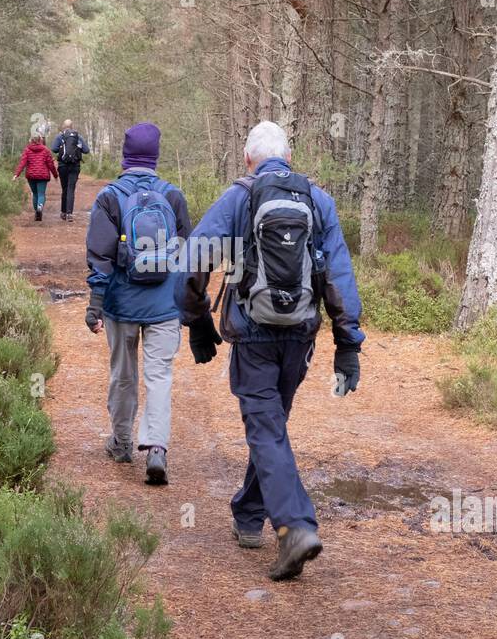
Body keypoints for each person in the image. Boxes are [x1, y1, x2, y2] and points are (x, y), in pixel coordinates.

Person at [178, 120, 364, 581]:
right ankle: (247, 514)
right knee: (271, 427)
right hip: (299, 338)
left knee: (265, 431)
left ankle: (295, 527)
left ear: (248, 159)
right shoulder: (318, 201)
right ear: (289, 156)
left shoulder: (239, 197)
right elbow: (338, 276)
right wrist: (348, 345)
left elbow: (194, 261)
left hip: (255, 336)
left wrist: (198, 319)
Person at [84, 122, 191, 486]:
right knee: (159, 376)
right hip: (164, 306)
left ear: (125, 155)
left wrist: (95, 305)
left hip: (121, 305)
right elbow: (187, 253)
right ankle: (157, 448)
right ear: (156, 156)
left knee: (123, 374)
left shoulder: (110, 197)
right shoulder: (173, 196)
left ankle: (122, 442)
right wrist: (189, 304)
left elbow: (100, 257)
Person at [51, 119, 90, 222]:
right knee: (71, 189)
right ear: (72, 126)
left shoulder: (60, 136)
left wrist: (61, 147)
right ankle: (69, 214)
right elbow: (86, 150)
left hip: (63, 166)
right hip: (75, 166)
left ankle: (63, 212)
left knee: (64, 189)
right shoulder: (78, 137)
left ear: (64, 126)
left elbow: (53, 149)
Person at [13, 134, 58, 222]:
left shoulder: (27, 150)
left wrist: (16, 174)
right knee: (41, 194)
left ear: (31, 140)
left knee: (35, 194)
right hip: (42, 175)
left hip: (31, 176)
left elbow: (22, 163)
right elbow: (50, 164)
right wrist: (55, 175)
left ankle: (37, 212)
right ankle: (40, 207)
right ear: (40, 140)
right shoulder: (46, 150)